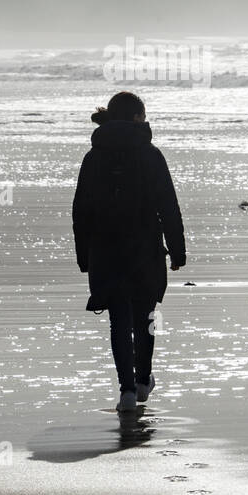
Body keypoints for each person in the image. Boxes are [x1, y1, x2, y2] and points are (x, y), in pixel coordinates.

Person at [72, 91, 186, 412]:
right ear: (137, 118)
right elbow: (169, 207)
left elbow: (80, 211)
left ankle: (126, 390)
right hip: (145, 250)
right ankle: (142, 379)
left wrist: (84, 256)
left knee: (119, 319)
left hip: (105, 251)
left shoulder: (93, 157)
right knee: (145, 317)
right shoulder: (151, 155)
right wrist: (177, 251)